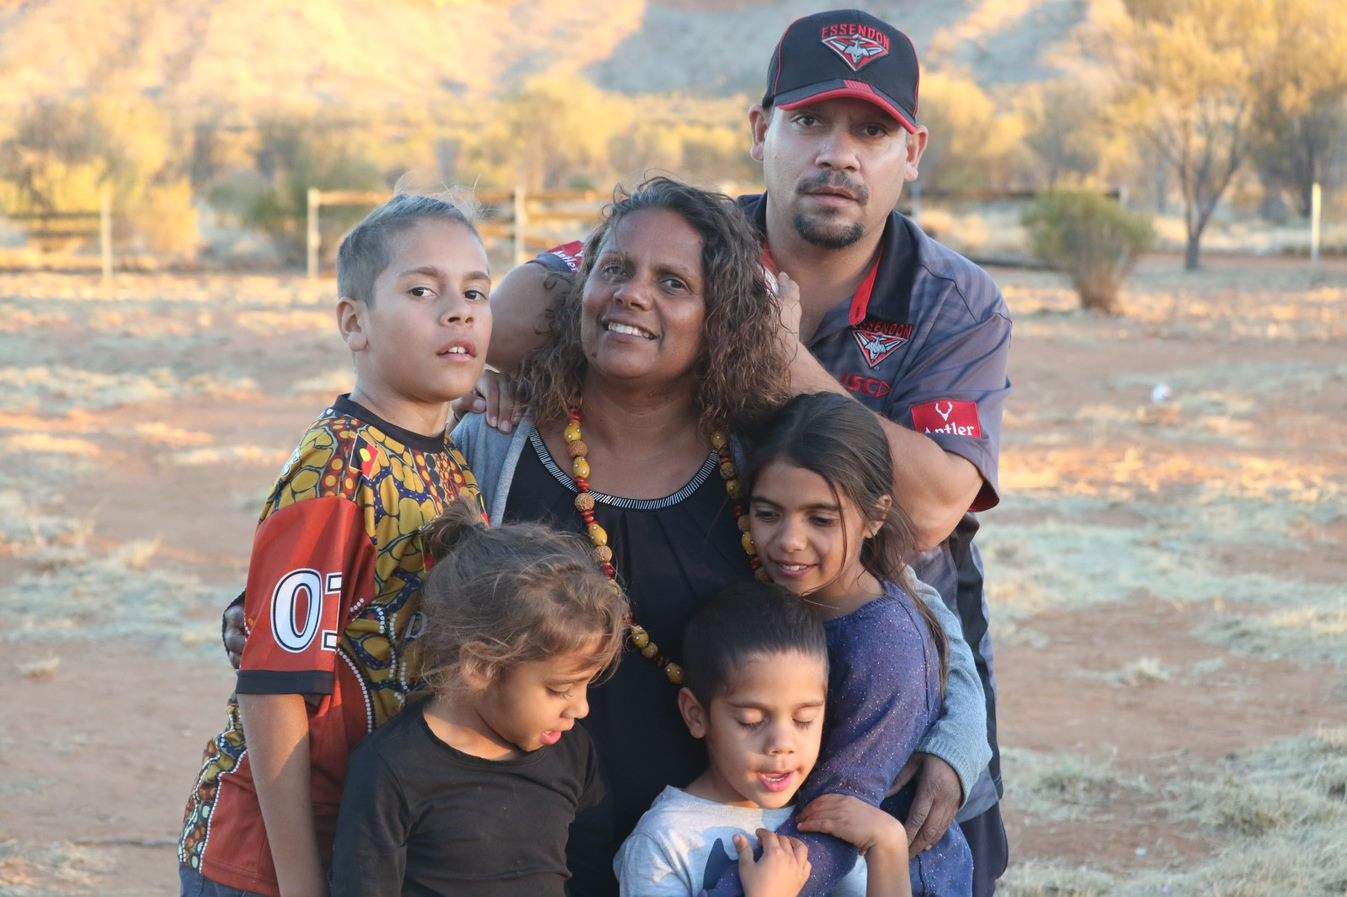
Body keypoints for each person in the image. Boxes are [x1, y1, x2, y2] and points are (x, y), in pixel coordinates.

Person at [477, 10, 1013, 893]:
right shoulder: (689, 240)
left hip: (901, 664)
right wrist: (491, 368)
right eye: (810, 122)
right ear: (762, 131)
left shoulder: (954, 299)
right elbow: (523, 309)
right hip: (737, 675)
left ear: (910, 151)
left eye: (871, 130)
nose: (837, 154)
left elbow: (921, 517)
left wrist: (778, 358)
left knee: (913, 851)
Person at [180, 194, 491, 897]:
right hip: (269, 858)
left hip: (361, 839)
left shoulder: (452, 461)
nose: (459, 310)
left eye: (476, 291)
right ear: (354, 322)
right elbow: (273, 686)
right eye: (422, 290)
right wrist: (300, 882)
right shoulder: (337, 464)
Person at [329, 501, 629, 897]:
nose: (580, 708)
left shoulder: (571, 753)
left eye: (586, 685)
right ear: (481, 667)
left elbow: (592, 870)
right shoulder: (391, 770)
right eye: (559, 690)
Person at [615, 580, 908, 897]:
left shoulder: (826, 819)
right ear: (696, 715)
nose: (782, 743)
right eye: (751, 722)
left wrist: (889, 846)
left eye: (803, 720)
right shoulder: (666, 841)